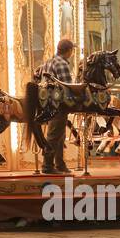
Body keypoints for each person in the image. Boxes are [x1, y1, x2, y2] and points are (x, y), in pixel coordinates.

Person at [36, 38, 77, 174]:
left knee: (59, 134)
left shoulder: (48, 62)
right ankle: (47, 165)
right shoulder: (62, 63)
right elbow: (68, 85)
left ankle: (60, 163)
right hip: (59, 104)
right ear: (69, 51)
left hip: (48, 103)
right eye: (72, 50)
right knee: (54, 135)